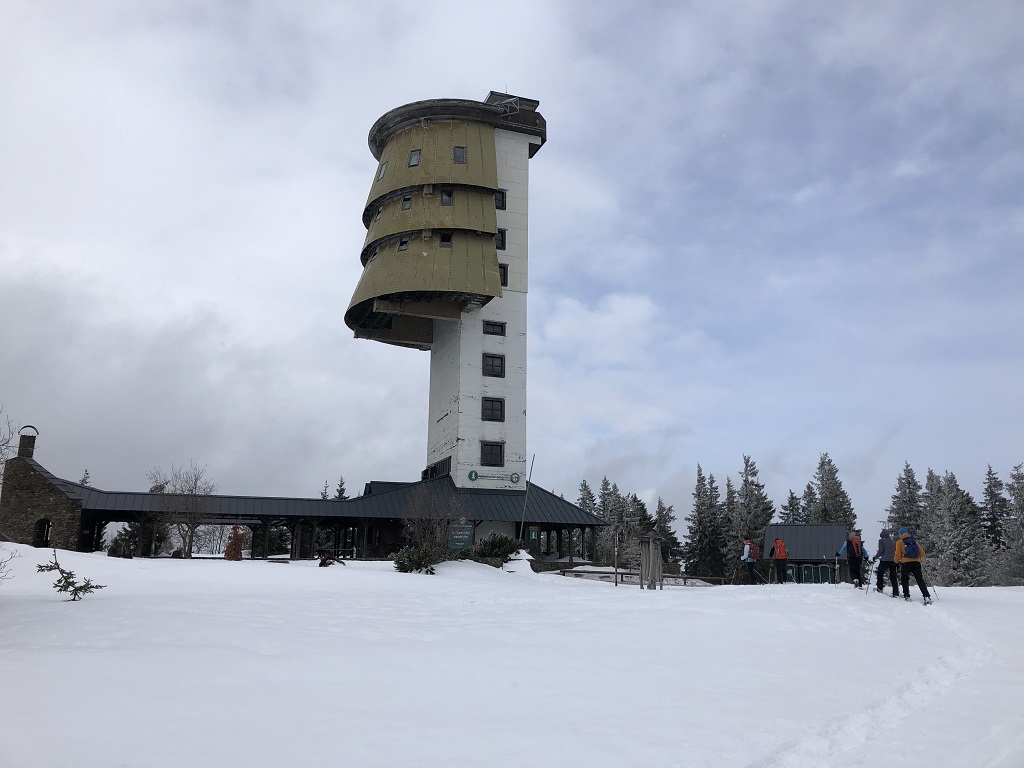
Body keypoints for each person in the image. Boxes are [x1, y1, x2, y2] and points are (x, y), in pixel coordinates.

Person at [894, 527, 932, 604]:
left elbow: (897, 555)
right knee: (920, 580)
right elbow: (922, 553)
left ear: (900, 534)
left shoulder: (899, 542)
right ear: (907, 533)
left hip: (905, 563)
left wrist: (895, 561)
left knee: (905, 579)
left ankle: (907, 595)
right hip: (916, 563)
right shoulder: (914, 541)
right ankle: (926, 596)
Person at [873, 529, 899, 597]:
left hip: (884, 560)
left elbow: (881, 551)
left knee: (880, 574)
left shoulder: (881, 541)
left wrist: (875, 557)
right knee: (893, 576)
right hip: (893, 561)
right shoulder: (893, 542)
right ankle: (895, 592)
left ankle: (880, 588)